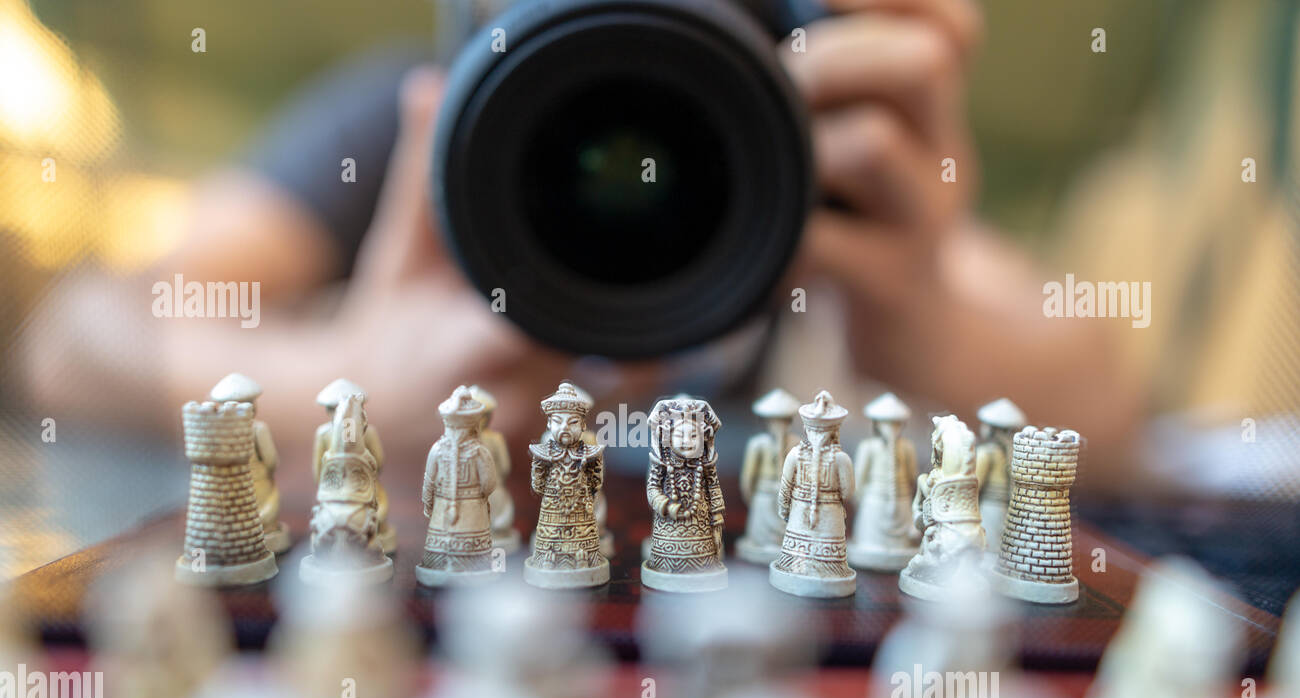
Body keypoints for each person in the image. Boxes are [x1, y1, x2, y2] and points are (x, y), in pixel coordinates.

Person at [17, 0, 1298, 495]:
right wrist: (346, 381)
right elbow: (79, 336)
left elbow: (1113, 420)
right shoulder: (413, 110)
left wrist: (929, 313)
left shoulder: (817, 124)